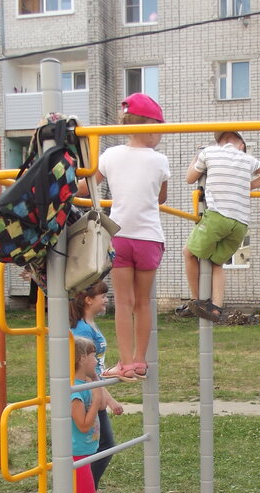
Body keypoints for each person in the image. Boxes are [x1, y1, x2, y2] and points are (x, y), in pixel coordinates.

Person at [91, 93, 170, 381]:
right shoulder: (159, 160)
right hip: (149, 238)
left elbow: (88, 185)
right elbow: (161, 197)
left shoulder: (110, 155)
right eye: (159, 129)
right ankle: (139, 361)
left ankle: (124, 362)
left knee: (123, 302)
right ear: (149, 127)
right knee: (143, 302)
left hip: (120, 235)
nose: (160, 136)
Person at [183, 131, 260, 322]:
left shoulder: (209, 152)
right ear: (241, 146)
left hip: (218, 217)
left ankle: (197, 301)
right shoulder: (248, 159)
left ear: (219, 143)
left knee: (188, 253)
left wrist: (196, 156)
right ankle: (216, 308)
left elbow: (190, 178)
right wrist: (248, 186)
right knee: (217, 262)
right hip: (240, 224)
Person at [70, 280, 125, 491]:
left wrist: (110, 375)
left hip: (95, 388)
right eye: (102, 296)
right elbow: (84, 370)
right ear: (88, 300)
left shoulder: (90, 324)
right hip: (88, 393)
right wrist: (108, 399)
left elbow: (96, 366)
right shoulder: (81, 330)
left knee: (101, 447)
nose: (106, 300)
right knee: (102, 447)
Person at [71, 336, 110, 493]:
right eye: (93, 356)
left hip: (87, 452)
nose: (97, 360)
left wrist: (95, 379)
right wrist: (94, 401)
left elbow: (103, 403)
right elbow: (83, 425)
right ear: (81, 358)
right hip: (76, 455)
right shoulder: (74, 391)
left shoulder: (86, 382)